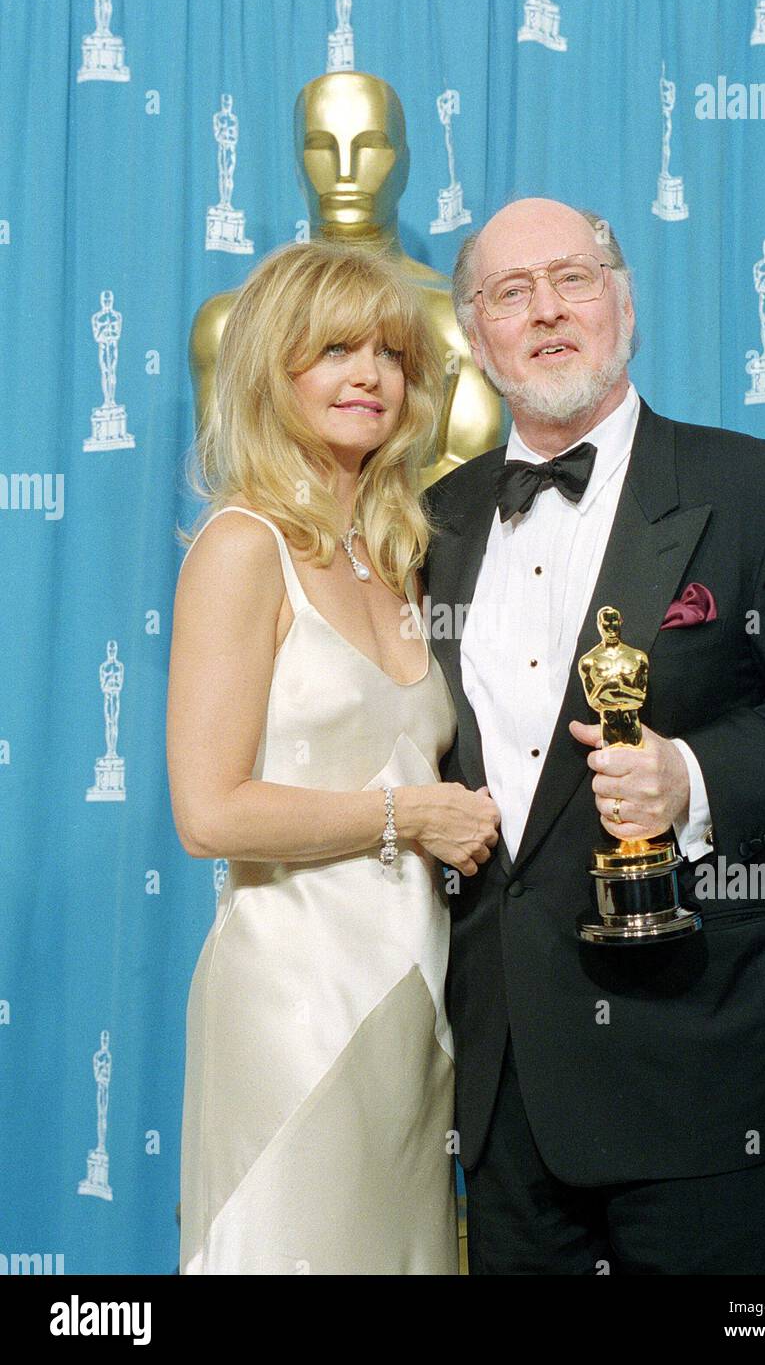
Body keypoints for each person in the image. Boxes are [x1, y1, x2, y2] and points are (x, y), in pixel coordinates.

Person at [422, 197, 765, 1275]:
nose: (547, 311)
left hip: (704, 1070)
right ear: (474, 333)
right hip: (505, 1086)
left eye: (574, 278)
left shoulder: (753, 492)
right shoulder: (437, 520)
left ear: (625, 302)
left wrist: (691, 777)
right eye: (511, 292)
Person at [166, 240, 500, 1275]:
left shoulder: (397, 555)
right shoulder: (241, 545)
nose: (371, 375)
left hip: (414, 1008)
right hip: (293, 1009)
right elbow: (208, 814)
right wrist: (412, 815)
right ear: (275, 367)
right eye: (337, 350)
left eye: (393, 353)